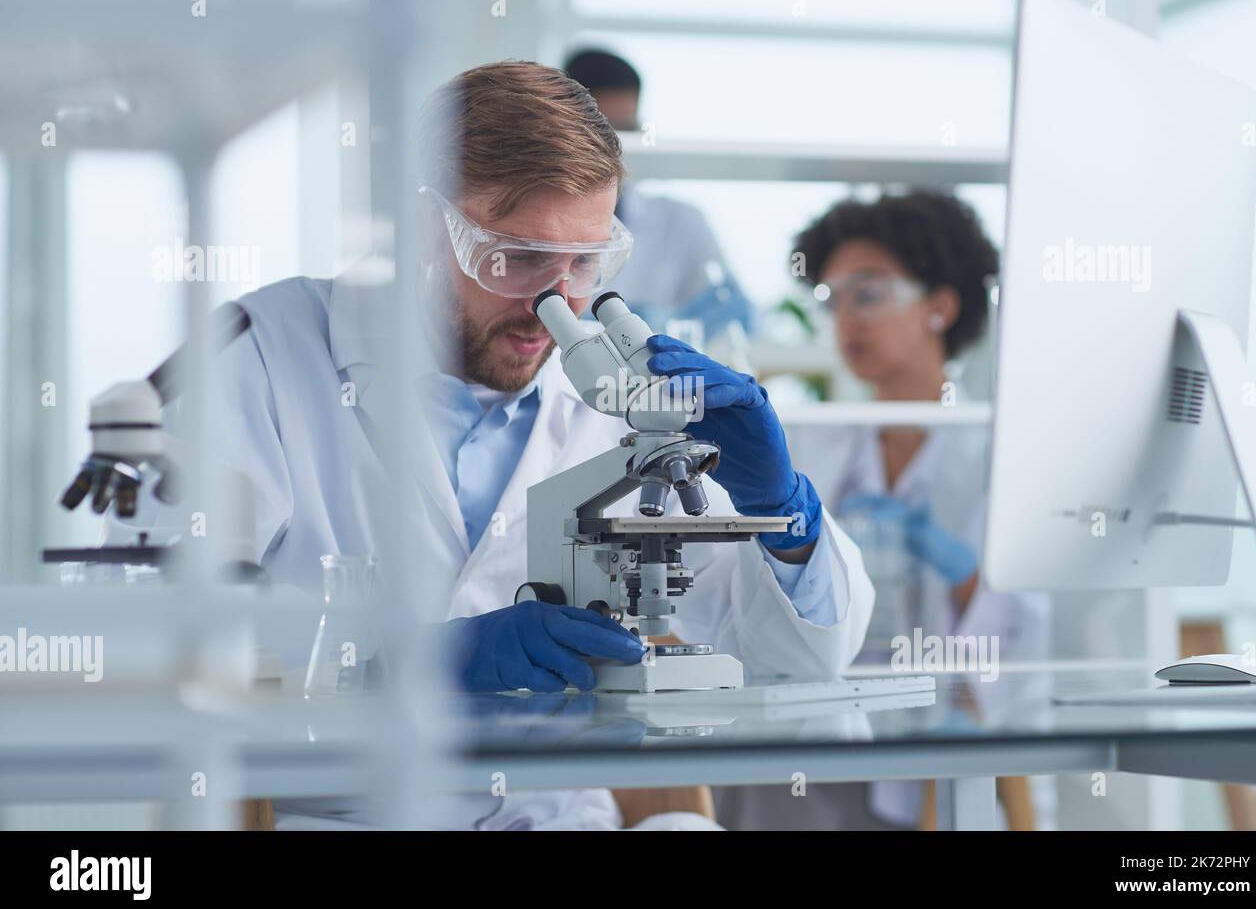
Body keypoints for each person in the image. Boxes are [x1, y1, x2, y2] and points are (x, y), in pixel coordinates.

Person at [118, 61, 873, 830]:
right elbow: (157, 642)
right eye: (516, 259)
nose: (554, 305)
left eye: (585, 263)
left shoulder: (619, 395)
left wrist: (783, 515)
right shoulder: (258, 358)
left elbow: (806, 668)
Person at [713, 191, 1049, 830]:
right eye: (833, 300)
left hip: (941, 744)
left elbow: (1028, 638)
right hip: (826, 735)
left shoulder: (999, 452)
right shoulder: (814, 444)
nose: (847, 321)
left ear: (941, 307)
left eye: (868, 295)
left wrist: (958, 571)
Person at [563, 48, 755, 337]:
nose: (613, 147)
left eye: (625, 130)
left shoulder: (680, 220)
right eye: (600, 130)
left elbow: (738, 320)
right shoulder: (543, 221)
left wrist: (665, 326)